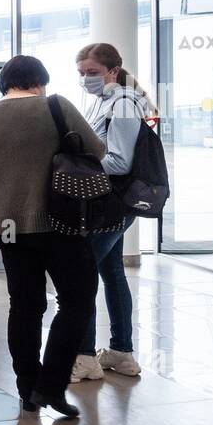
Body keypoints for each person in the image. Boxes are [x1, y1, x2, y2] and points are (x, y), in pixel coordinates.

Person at [0, 55, 104, 418]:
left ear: (5, 83)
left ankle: (27, 387)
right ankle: (51, 385)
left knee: (25, 306)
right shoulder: (54, 105)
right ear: (39, 80)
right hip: (57, 223)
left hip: (9, 227)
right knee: (77, 301)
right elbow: (97, 149)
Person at [70, 43, 155, 382]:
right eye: (81, 73)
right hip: (108, 202)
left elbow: (120, 160)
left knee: (82, 274)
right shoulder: (106, 100)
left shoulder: (121, 103)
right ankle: (121, 352)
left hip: (112, 203)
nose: (86, 79)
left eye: (92, 73)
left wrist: (77, 164)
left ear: (113, 71)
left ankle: (86, 356)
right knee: (111, 272)